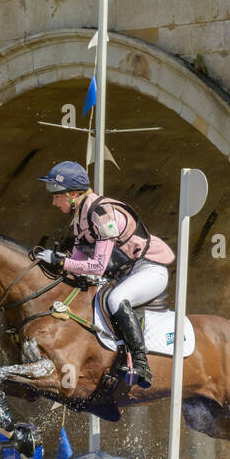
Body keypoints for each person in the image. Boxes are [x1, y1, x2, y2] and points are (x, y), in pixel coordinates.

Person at [33, 160, 175, 388]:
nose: (53, 201)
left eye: (56, 194)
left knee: (116, 299)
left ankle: (141, 362)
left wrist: (60, 260)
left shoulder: (102, 214)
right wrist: (53, 261)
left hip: (149, 269)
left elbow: (97, 266)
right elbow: (78, 261)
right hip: (124, 274)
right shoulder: (79, 220)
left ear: (74, 194)